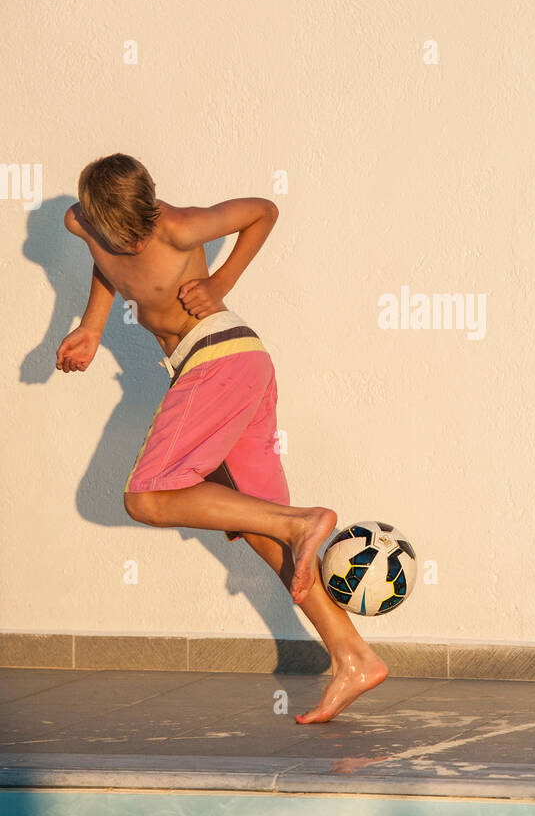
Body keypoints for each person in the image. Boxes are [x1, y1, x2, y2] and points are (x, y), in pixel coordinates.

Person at [56, 152, 388, 722]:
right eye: (121, 236)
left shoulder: (180, 224)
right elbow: (102, 260)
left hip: (219, 359)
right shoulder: (82, 223)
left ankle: (301, 521)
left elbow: (264, 210)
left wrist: (221, 279)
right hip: (236, 370)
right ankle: (354, 656)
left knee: (147, 495)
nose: (136, 244)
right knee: (266, 534)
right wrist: (90, 326)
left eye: (142, 231)